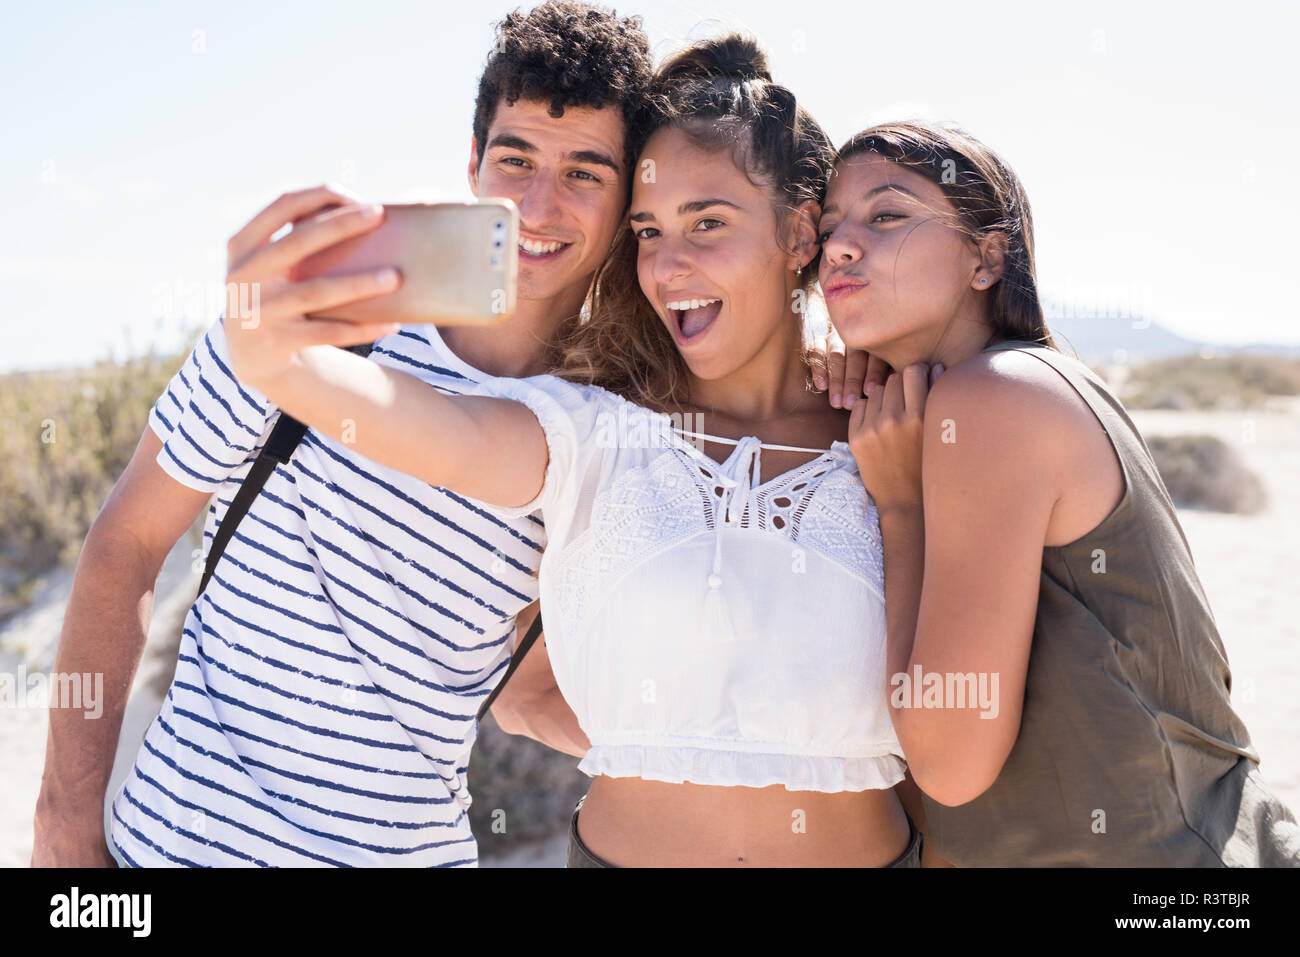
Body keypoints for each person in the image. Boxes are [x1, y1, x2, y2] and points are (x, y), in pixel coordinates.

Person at [221, 34, 930, 868]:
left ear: (802, 232)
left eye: (708, 223)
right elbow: (439, 433)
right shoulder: (594, 429)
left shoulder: (897, 426)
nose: (669, 265)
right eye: (648, 230)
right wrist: (277, 355)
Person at [32, 0, 653, 867]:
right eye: (516, 159)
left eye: (586, 172)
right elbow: (126, 544)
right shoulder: (305, 316)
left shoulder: (613, 423)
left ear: (627, 202)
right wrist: (61, 831)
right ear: (473, 162)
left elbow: (533, 694)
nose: (541, 205)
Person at [819, 120, 1300, 866]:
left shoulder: (995, 399)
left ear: (987, 256)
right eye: (828, 226)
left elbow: (950, 761)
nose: (840, 246)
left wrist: (901, 507)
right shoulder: (1018, 385)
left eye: (887, 215)